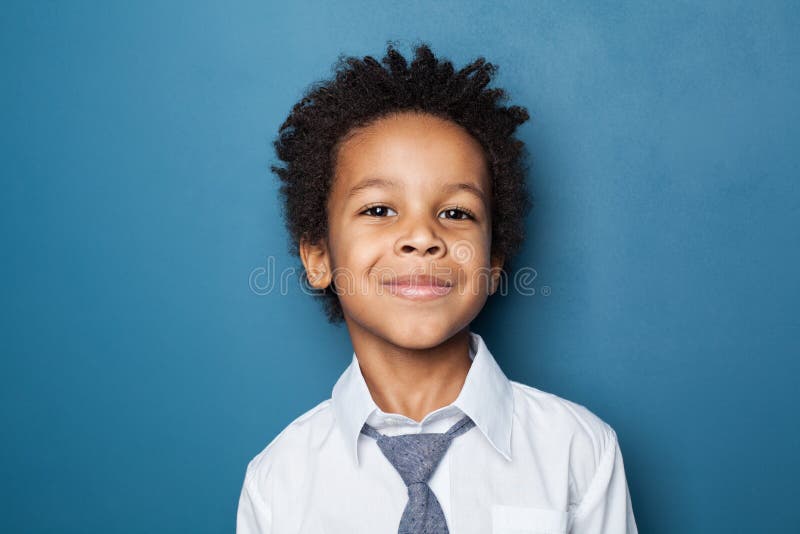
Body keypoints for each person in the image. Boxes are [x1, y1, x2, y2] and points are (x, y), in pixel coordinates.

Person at [237, 42, 638, 533]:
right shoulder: (278, 481)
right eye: (379, 210)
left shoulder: (579, 452)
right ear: (319, 256)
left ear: (493, 262)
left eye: (456, 213)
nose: (423, 238)